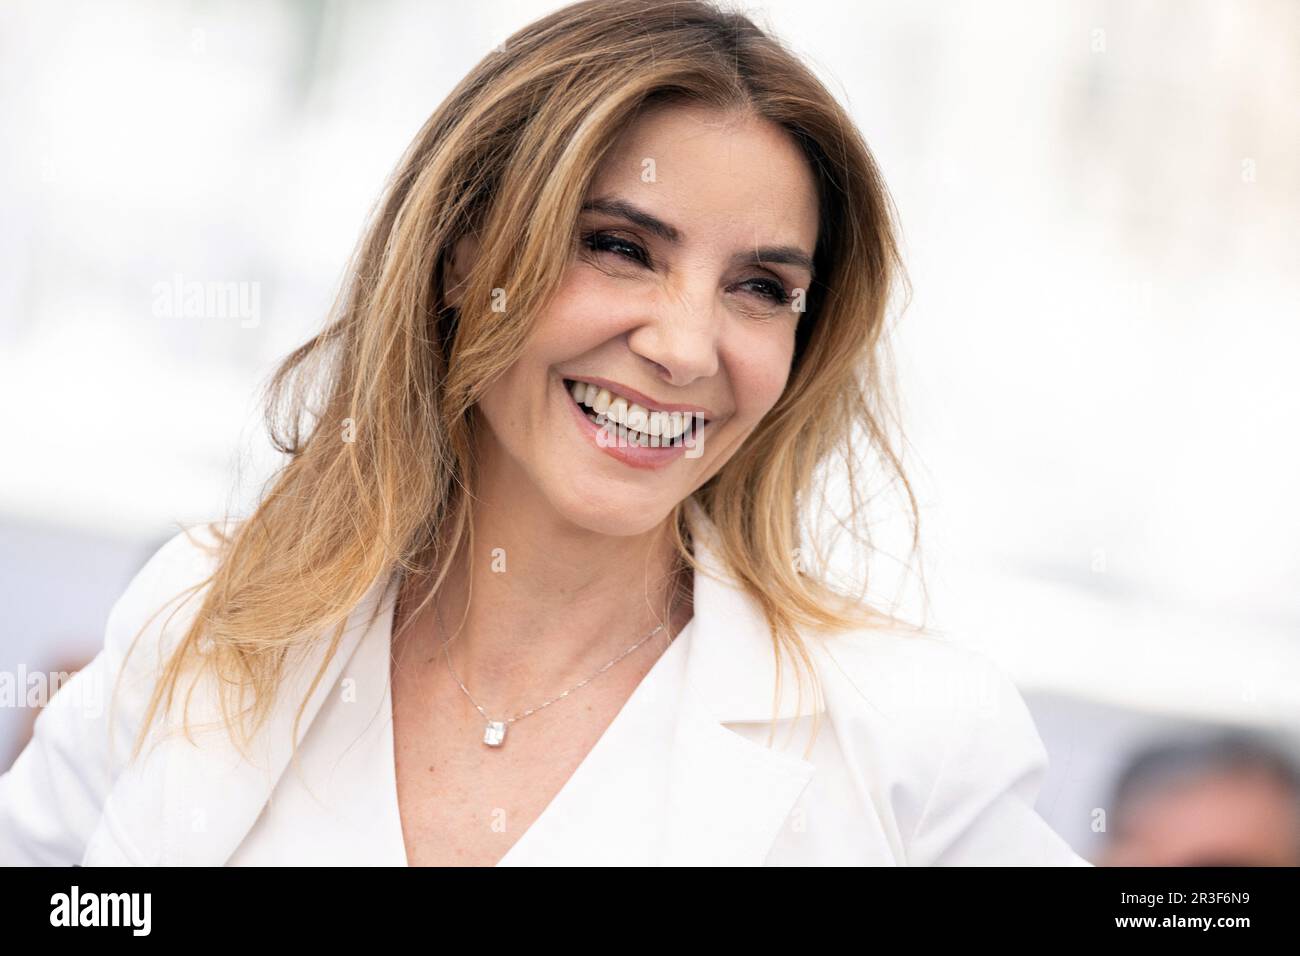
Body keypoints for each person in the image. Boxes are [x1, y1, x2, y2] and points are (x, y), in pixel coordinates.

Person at [0, 0, 1090, 866]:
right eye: (620, 246)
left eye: (759, 285)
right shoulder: (205, 618)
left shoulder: (910, 737)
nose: (684, 345)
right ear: (463, 254)